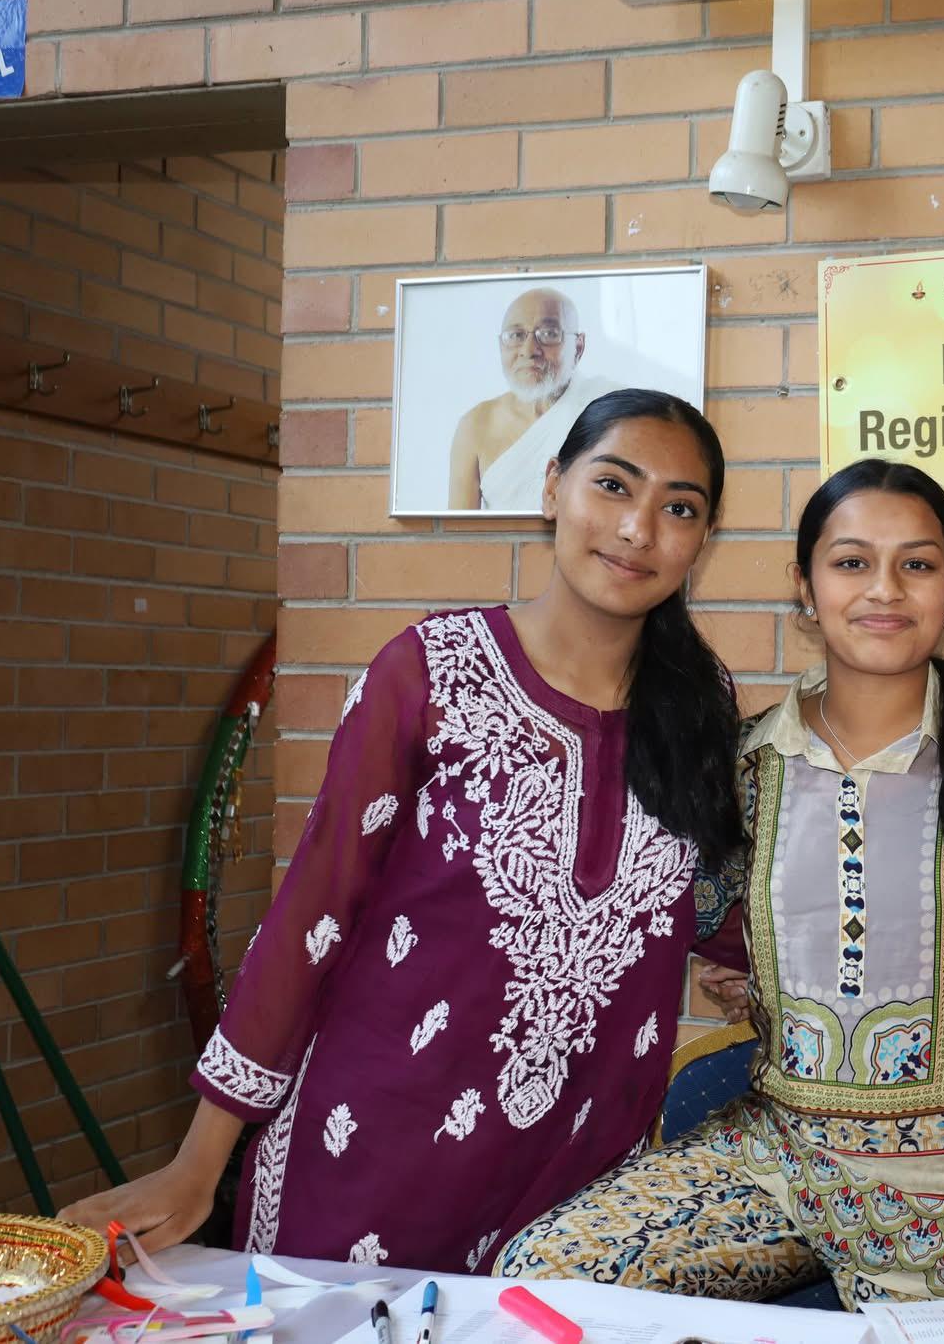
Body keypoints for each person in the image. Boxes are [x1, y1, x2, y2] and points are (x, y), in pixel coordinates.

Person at [60, 390, 744, 1271]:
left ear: (704, 537)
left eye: (678, 507)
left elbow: (716, 903)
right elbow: (314, 913)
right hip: (372, 1154)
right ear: (550, 488)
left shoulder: (700, 706)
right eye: (613, 485)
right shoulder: (431, 672)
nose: (639, 527)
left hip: (571, 1187)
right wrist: (200, 1163)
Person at [495, 459, 944, 1305]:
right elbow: (669, 922)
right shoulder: (745, 762)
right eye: (850, 562)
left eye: (916, 564)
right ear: (804, 588)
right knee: (545, 1280)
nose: (883, 589)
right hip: (781, 1165)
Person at [447, 288, 604, 512]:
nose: (529, 350)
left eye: (549, 334)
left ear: (578, 347)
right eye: (516, 335)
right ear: (501, 345)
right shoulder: (475, 425)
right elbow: (459, 534)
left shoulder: (608, 412)